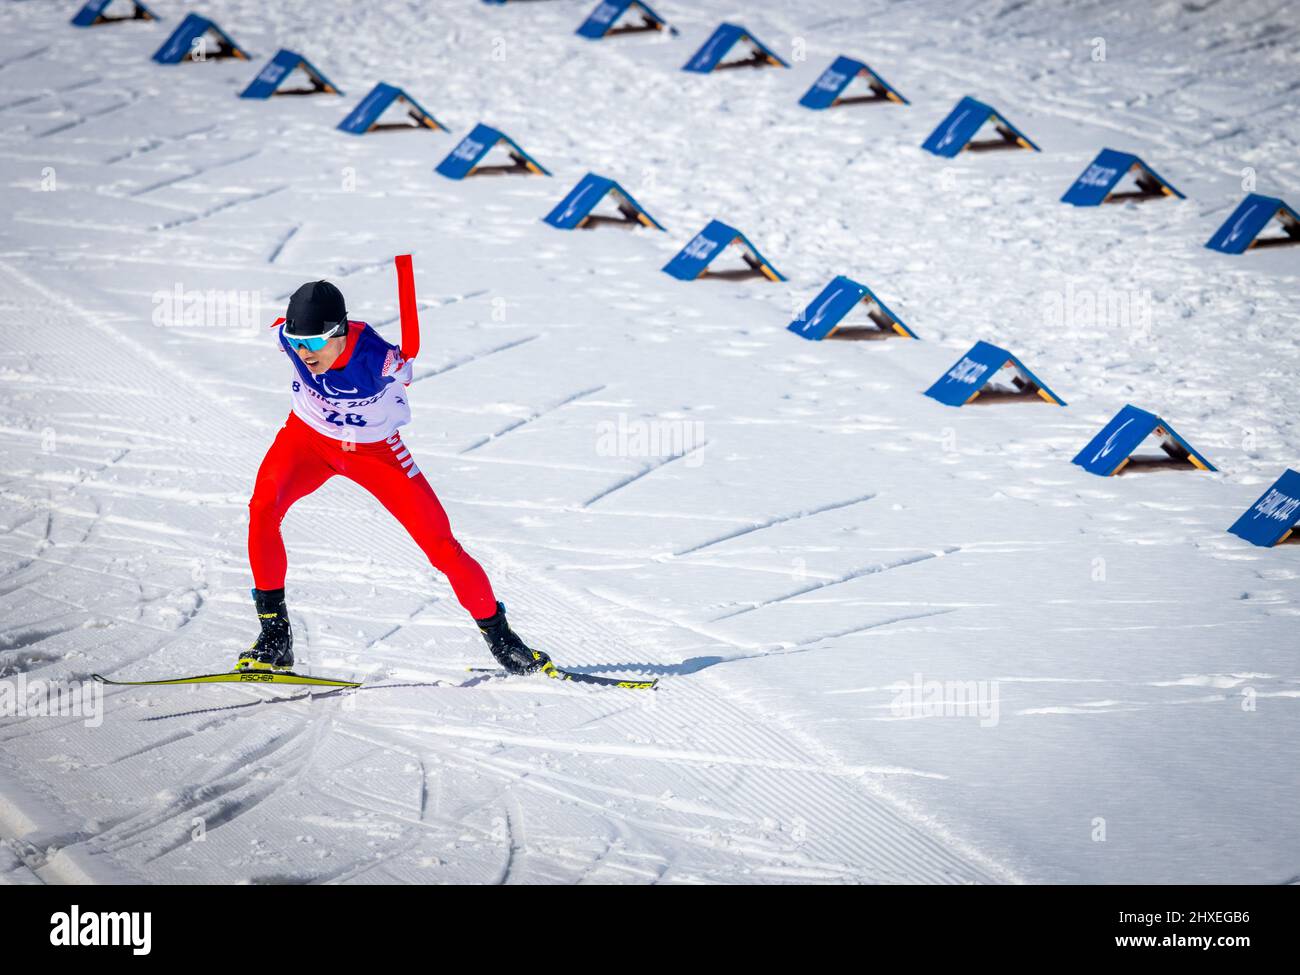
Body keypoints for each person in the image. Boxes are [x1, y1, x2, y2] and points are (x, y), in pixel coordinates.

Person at [240, 280, 549, 676]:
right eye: (297, 342)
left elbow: (401, 371)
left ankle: (502, 638)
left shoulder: (377, 358)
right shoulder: (288, 339)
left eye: (314, 342)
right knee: (263, 508)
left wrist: (400, 368)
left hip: (375, 454)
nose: (304, 352)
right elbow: (293, 335)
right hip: (307, 441)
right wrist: (299, 338)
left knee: (442, 547)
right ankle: (274, 635)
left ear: (339, 331)